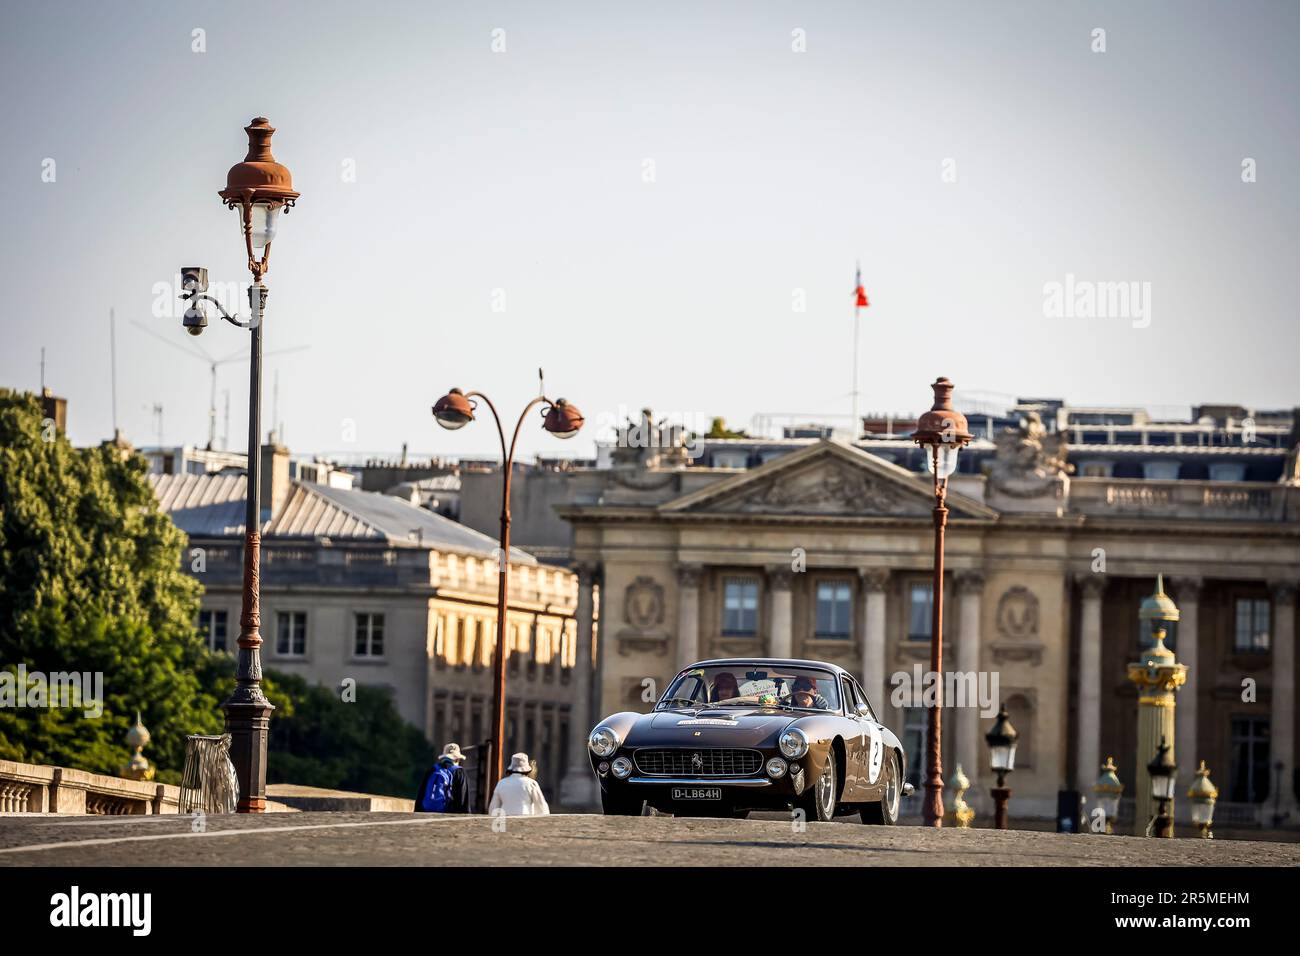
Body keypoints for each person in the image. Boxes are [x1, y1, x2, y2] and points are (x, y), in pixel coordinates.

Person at [415, 743, 470, 813]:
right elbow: (463, 802)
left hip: (426, 813)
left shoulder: (432, 770)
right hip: (447, 817)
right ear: (457, 759)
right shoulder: (460, 772)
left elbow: (420, 795)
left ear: (444, 757)